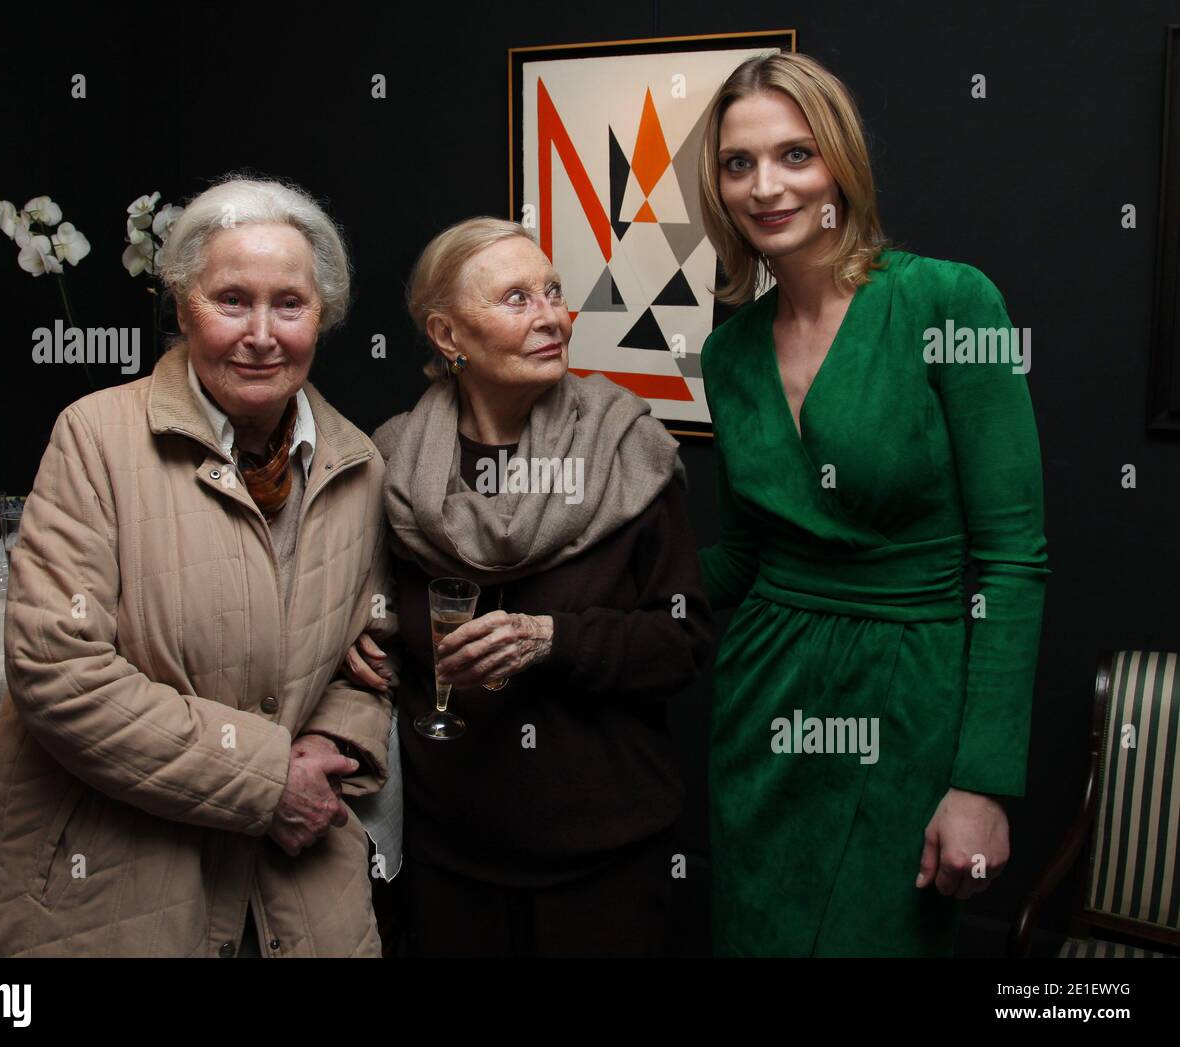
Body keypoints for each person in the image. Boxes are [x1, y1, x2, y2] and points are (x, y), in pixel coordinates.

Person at [0, 176, 395, 957]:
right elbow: (59, 672)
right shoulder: (95, 438)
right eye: (231, 299)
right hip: (114, 898)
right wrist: (268, 782)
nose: (261, 332)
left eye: (289, 304)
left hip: (299, 896)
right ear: (183, 304)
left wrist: (335, 744)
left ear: (321, 316)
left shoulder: (357, 463)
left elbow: (363, 657)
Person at [695, 53, 1050, 956]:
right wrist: (563, 602)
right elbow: (737, 558)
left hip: (909, 699)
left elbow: (1013, 559)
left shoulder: (950, 299)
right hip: (763, 701)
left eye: (795, 155)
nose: (766, 186)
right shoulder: (730, 352)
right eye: (739, 164)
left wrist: (982, 783)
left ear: (840, 165)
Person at [345, 217, 713, 957]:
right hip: (451, 853)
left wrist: (553, 639)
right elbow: (377, 618)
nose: (552, 315)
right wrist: (361, 635)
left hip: (605, 856)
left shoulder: (625, 450)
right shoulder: (392, 466)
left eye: (553, 291)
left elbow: (684, 642)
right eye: (517, 299)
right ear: (448, 335)